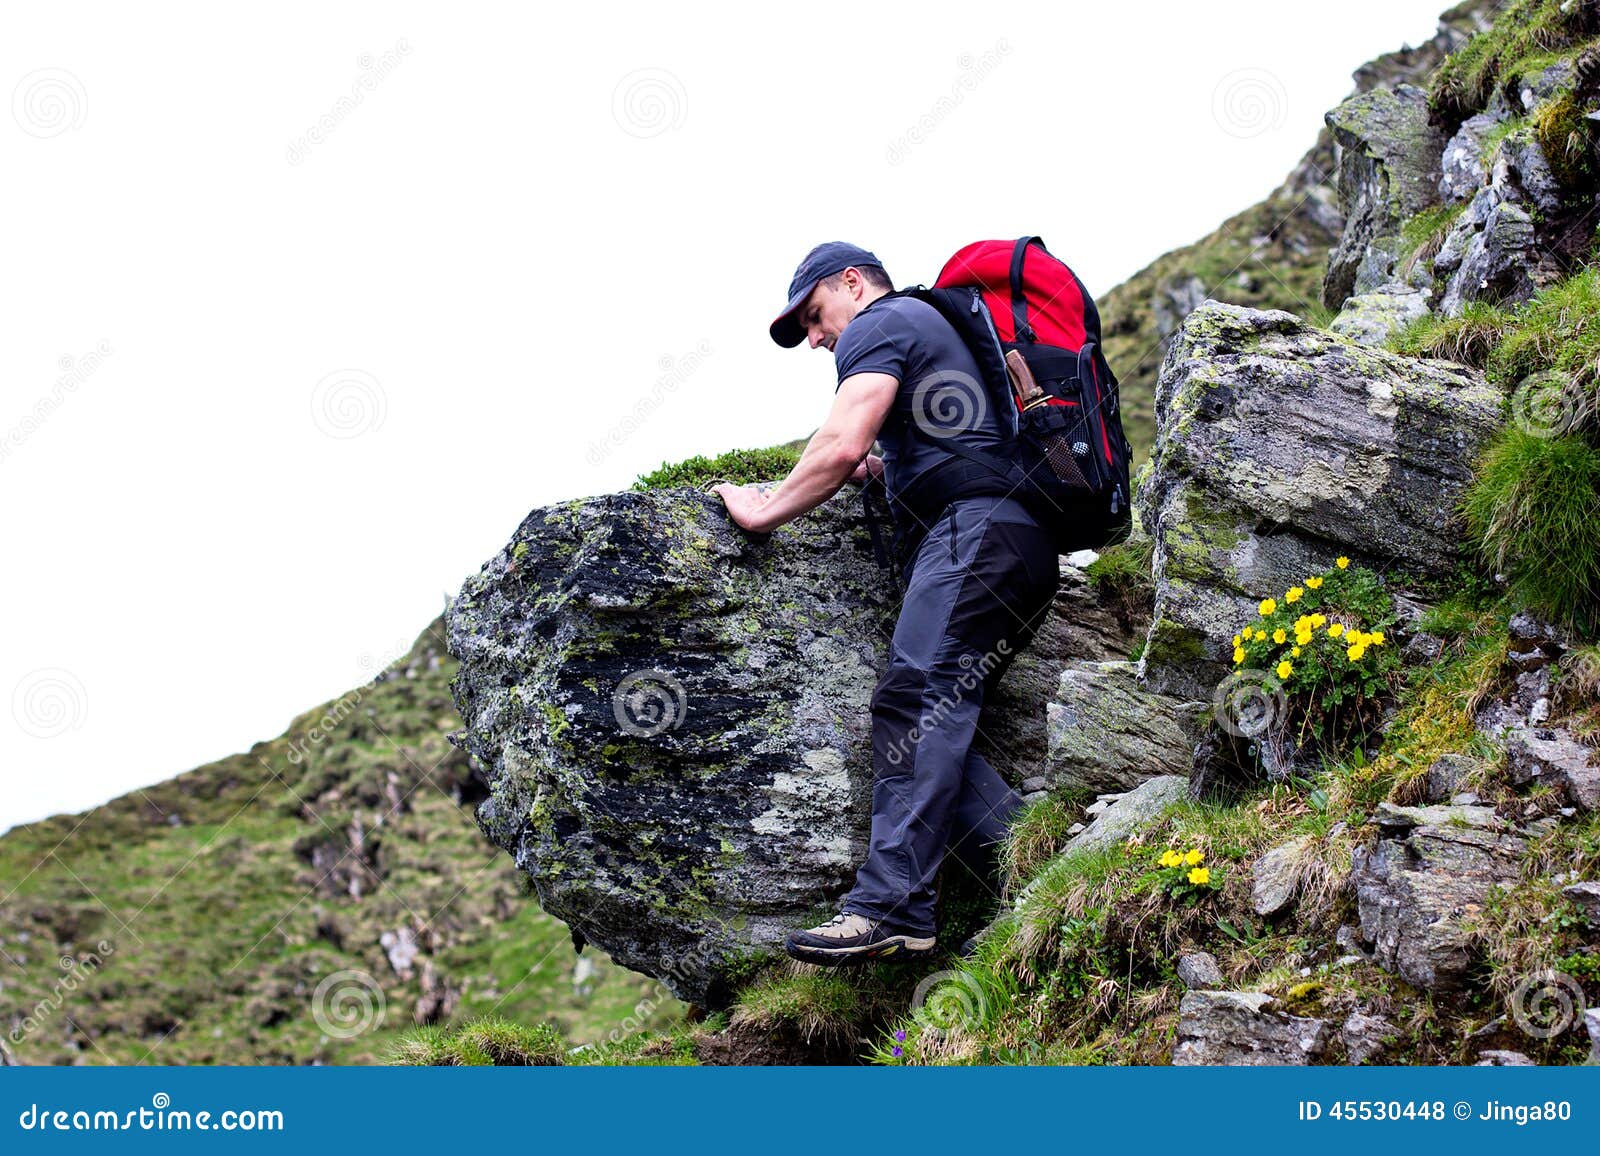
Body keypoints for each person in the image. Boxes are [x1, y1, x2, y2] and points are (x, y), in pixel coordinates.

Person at [713, 242, 1060, 965]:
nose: (816, 338)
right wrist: (895, 464)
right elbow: (926, 438)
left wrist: (763, 509)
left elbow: (840, 442)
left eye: (814, 317)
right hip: (1017, 546)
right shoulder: (933, 327)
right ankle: (1044, 874)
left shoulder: (880, 322)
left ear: (851, 283)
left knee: (913, 704)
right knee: (933, 722)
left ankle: (890, 909)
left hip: (977, 537)